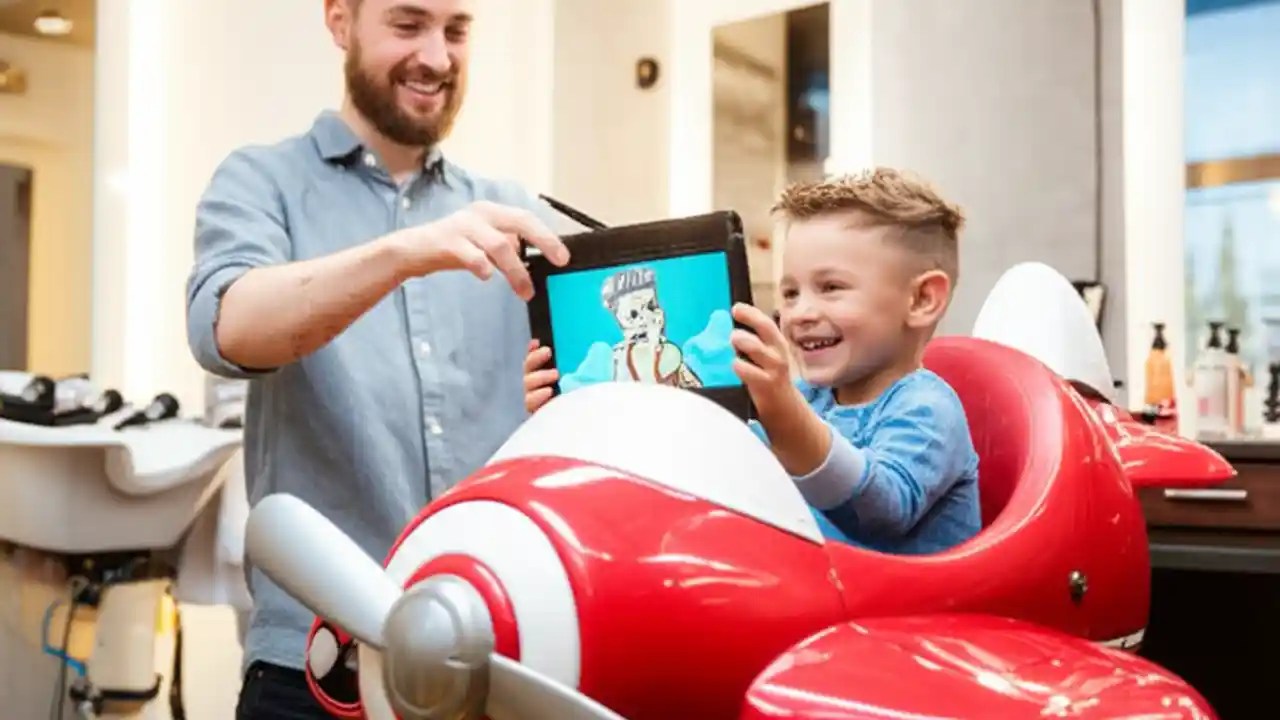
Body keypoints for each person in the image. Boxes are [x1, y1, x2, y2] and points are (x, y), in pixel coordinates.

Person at [185, 1, 570, 717]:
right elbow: (228, 329)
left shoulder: (512, 214)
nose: (438, 57)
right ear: (340, 22)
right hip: (313, 668)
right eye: (407, 25)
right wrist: (408, 252)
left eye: (456, 31)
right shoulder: (260, 182)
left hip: (493, 658)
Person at [526, 168, 981, 555]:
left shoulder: (926, 406)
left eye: (831, 287)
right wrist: (572, 415)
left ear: (922, 299)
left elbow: (882, 511)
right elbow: (720, 459)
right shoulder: (810, 399)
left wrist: (786, 416)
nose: (799, 312)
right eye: (790, 292)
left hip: (903, 625)